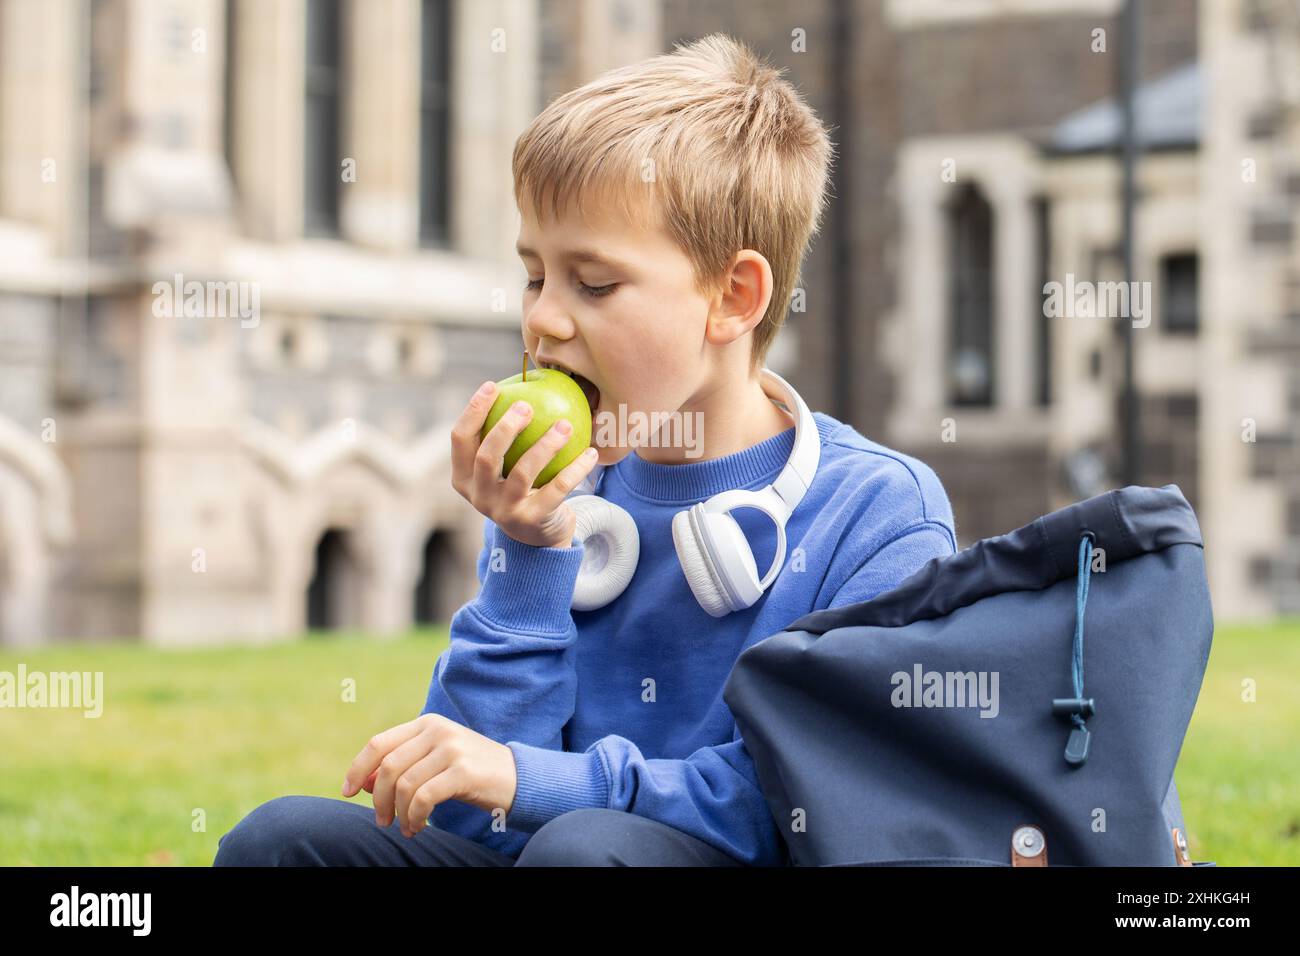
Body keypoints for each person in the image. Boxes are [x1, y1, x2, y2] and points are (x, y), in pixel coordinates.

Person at [214, 32, 957, 868]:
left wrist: (539, 783)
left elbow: (812, 804)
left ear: (733, 297)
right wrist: (528, 557)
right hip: (556, 856)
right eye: (535, 276)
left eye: (593, 284)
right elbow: (468, 820)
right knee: (281, 842)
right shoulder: (560, 490)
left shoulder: (878, 512)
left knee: (584, 848)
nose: (543, 320)